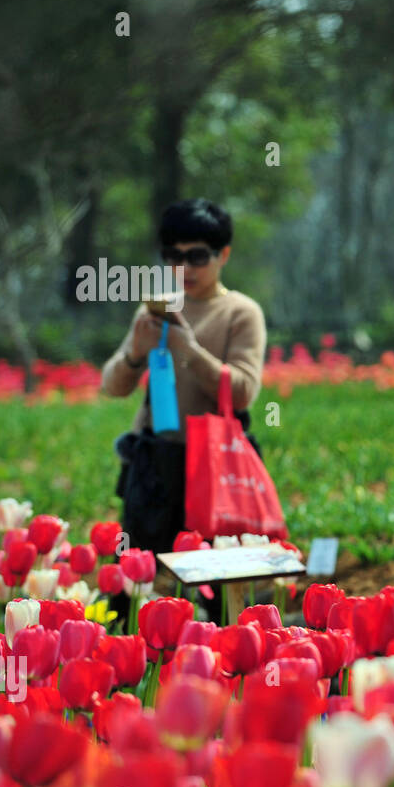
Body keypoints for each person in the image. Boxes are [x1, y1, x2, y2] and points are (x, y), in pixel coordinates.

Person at [100, 199, 267, 617]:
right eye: (174, 257)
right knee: (134, 575)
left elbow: (244, 390)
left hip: (215, 467)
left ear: (223, 255)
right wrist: (135, 355)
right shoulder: (156, 310)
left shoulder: (240, 313)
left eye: (197, 256)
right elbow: (112, 386)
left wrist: (191, 352)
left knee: (215, 581)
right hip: (155, 460)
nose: (185, 268)